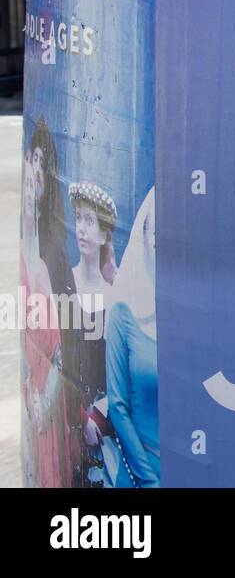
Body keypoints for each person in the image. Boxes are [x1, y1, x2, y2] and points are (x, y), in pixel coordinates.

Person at [20, 117, 78, 488]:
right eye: (32, 160)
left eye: (43, 166)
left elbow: (63, 341)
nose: (35, 174)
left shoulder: (51, 253)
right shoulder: (28, 244)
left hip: (51, 395)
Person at [106, 189, 160, 487]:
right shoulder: (122, 315)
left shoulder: (193, 317)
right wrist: (150, 482)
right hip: (139, 478)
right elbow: (118, 408)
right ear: (143, 233)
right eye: (156, 233)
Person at [67, 179, 118, 485]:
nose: (82, 229)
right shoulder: (64, 285)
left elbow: (121, 377)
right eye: (77, 219)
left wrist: (96, 417)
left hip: (101, 435)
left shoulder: (114, 297)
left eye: (90, 220)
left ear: (104, 234)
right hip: (66, 421)